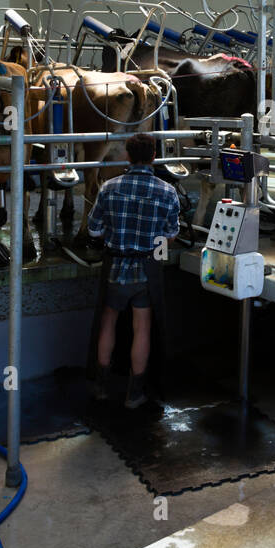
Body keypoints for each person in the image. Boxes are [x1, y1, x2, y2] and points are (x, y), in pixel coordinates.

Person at [87, 132, 180, 408]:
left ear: (127, 155)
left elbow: (94, 229)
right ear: (153, 156)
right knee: (142, 328)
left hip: (115, 264)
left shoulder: (109, 187)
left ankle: (101, 387)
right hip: (146, 268)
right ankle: (135, 393)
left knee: (108, 322)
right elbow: (170, 233)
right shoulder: (168, 191)